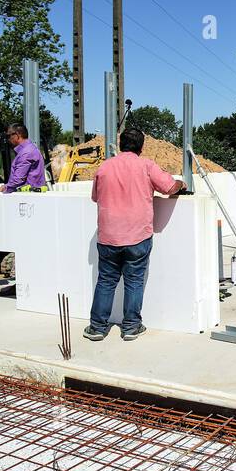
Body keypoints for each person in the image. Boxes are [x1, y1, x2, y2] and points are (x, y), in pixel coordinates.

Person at [85, 128, 186, 341]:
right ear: (141, 147)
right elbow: (169, 187)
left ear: (121, 145)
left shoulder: (104, 167)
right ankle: (130, 327)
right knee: (134, 281)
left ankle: (97, 328)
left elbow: (95, 197)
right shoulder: (146, 165)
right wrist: (181, 183)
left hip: (108, 236)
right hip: (137, 236)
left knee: (106, 281)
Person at [0, 123, 48, 195]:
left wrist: (2, 192)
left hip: (27, 199)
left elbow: (18, 180)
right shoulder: (29, 149)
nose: (8, 139)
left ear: (17, 135)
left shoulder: (26, 153)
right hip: (30, 196)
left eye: (8, 136)